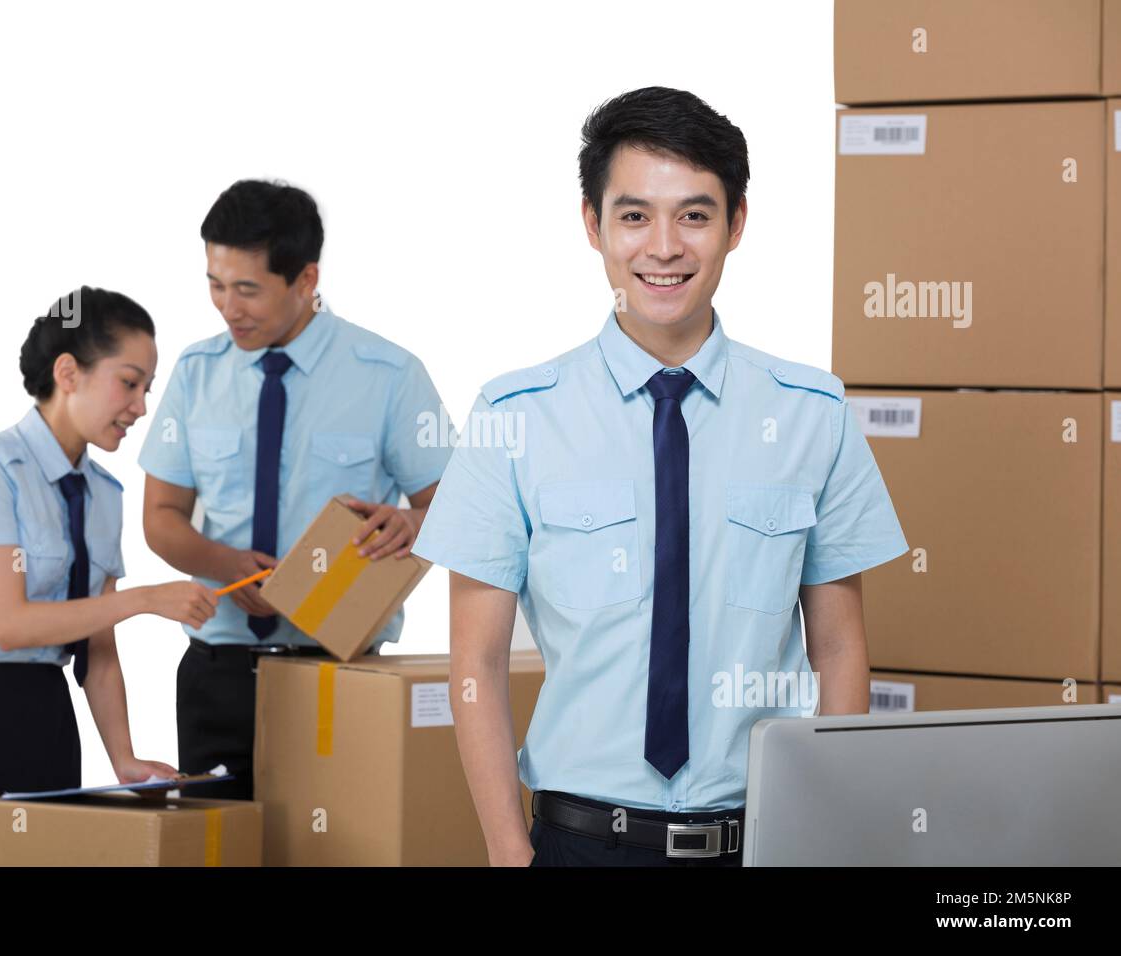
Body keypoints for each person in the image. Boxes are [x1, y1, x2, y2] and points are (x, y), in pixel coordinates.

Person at [411, 87, 909, 866]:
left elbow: (839, 650)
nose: (665, 247)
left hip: (762, 840)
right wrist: (510, 852)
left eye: (696, 215)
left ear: (737, 224)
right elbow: (474, 664)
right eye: (635, 215)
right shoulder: (515, 417)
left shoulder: (813, 414)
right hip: (580, 844)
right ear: (593, 225)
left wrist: (818, 837)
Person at [139, 180, 453, 800]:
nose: (228, 307)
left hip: (340, 671)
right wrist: (226, 564)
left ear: (307, 279)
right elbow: (160, 517)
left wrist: (412, 525)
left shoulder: (390, 375)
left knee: (336, 848)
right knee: (217, 848)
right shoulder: (195, 373)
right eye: (215, 284)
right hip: (217, 675)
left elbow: (458, 509)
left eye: (248, 289)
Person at [0, 286, 219, 866]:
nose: (141, 406)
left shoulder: (104, 495)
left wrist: (124, 759)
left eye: (148, 388)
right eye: (129, 382)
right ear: (68, 372)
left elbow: (98, 652)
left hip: (46, 714)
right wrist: (146, 598)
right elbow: (11, 624)